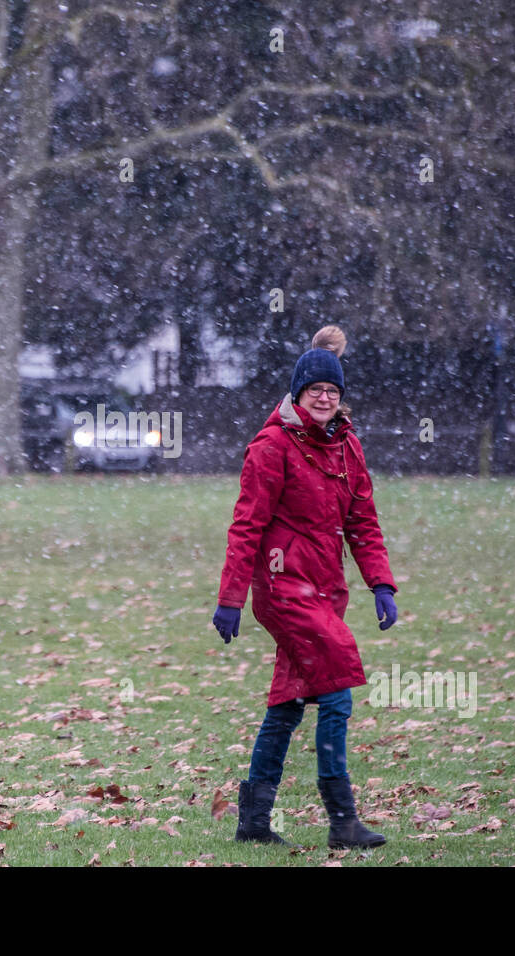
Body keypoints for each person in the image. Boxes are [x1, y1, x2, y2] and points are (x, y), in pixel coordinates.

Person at [213, 326, 399, 850]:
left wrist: (381, 583)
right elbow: (246, 525)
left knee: (290, 703)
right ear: (297, 394)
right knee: (337, 691)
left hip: (325, 587)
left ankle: (253, 822)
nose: (323, 398)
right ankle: (343, 821)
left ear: (340, 398)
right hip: (281, 586)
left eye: (332, 391)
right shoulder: (271, 447)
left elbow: (363, 522)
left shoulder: (348, 448)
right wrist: (231, 599)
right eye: (314, 390)